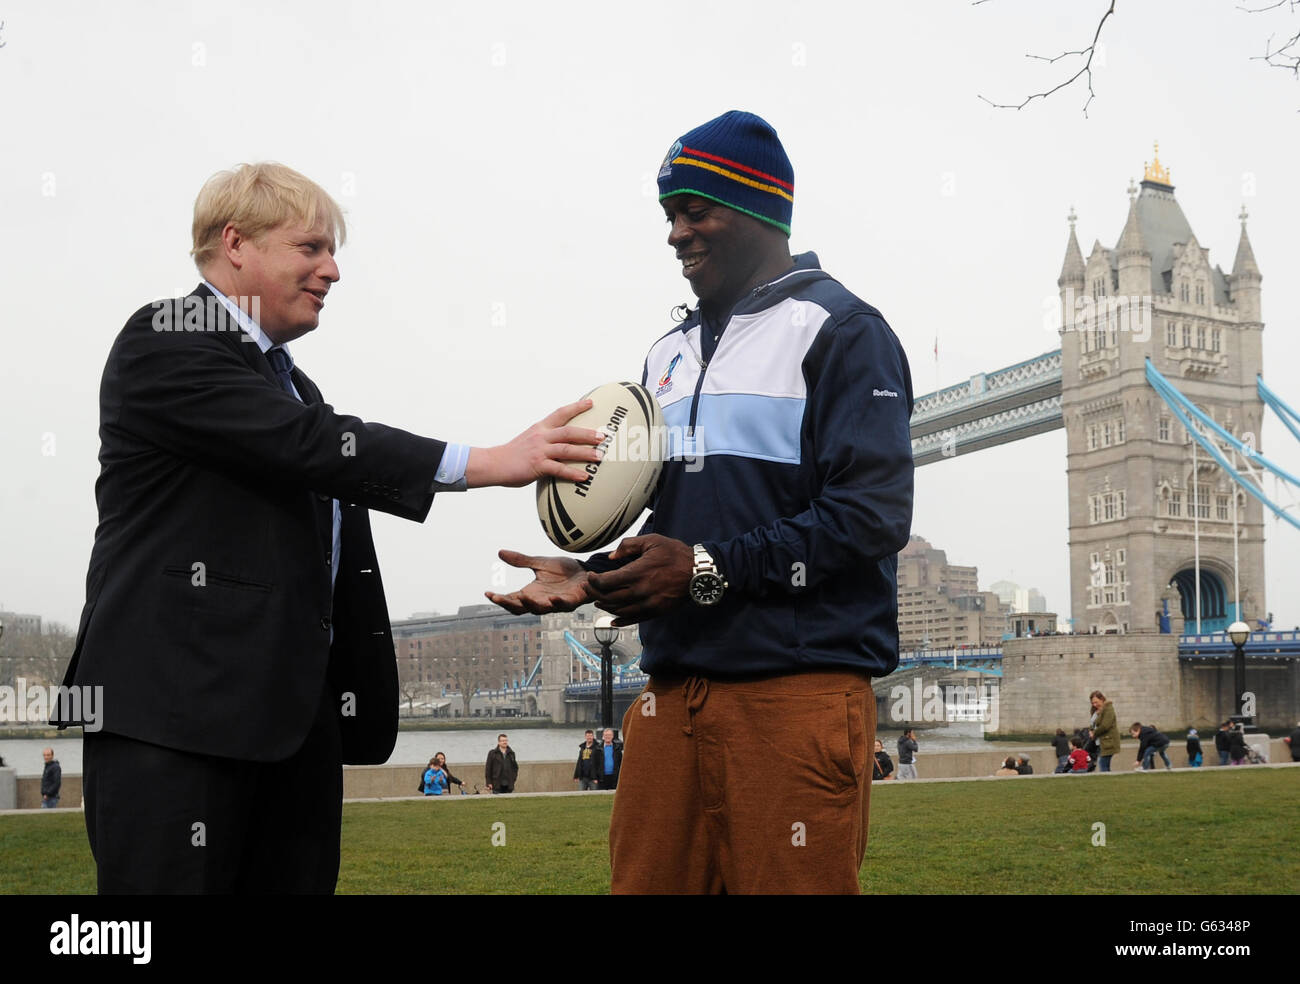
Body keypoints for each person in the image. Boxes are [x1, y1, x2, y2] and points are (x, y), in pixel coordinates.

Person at [53, 162, 604, 894]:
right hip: (178, 724)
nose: (333, 270)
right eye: (310, 248)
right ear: (236, 243)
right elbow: (313, 444)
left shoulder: (294, 386)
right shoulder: (165, 337)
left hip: (292, 734)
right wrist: (489, 461)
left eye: (332, 252)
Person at [486, 110, 914, 894]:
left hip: (794, 694)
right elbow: (677, 532)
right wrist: (593, 572)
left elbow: (873, 514)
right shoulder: (665, 353)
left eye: (694, 209)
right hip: (671, 695)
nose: (677, 234)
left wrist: (708, 570)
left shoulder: (845, 331)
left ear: (757, 208)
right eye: (669, 216)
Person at [1088, 691, 1120, 773]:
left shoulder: (1108, 709)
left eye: (1096, 702)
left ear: (1102, 699)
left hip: (1108, 742)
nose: (1094, 705)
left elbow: (1105, 726)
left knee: (1103, 764)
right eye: (1093, 703)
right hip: (1099, 743)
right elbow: (1092, 724)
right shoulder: (1096, 711)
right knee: (1105, 766)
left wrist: (1094, 733)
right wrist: (1091, 730)